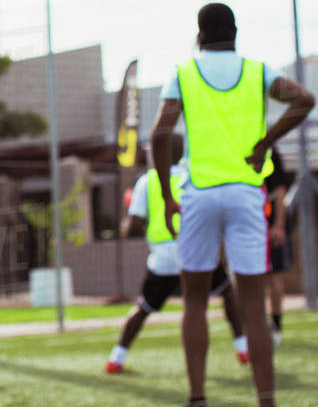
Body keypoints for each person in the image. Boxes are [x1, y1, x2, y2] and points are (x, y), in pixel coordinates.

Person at [152, 2, 316, 407]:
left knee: (194, 298)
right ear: (236, 32)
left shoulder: (183, 73)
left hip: (200, 194)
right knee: (253, 306)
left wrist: (166, 195)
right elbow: (304, 100)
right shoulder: (258, 71)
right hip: (245, 195)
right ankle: (266, 401)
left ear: (199, 35)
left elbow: (158, 136)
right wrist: (264, 142)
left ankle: (197, 398)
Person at [105, 135, 250, 375]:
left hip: (163, 258)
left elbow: (131, 227)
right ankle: (243, 348)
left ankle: (116, 359)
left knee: (144, 308)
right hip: (196, 253)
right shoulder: (195, 176)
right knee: (226, 292)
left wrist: (131, 219)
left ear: (158, 152)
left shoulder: (147, 181)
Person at [263, 148, 295, 346]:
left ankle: (276, 326)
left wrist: (279, 225)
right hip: (248, 225)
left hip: (270, 225)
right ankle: (254, 326)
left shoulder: (270, 150)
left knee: (275, 277)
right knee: (250, 279)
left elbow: (280, 189)